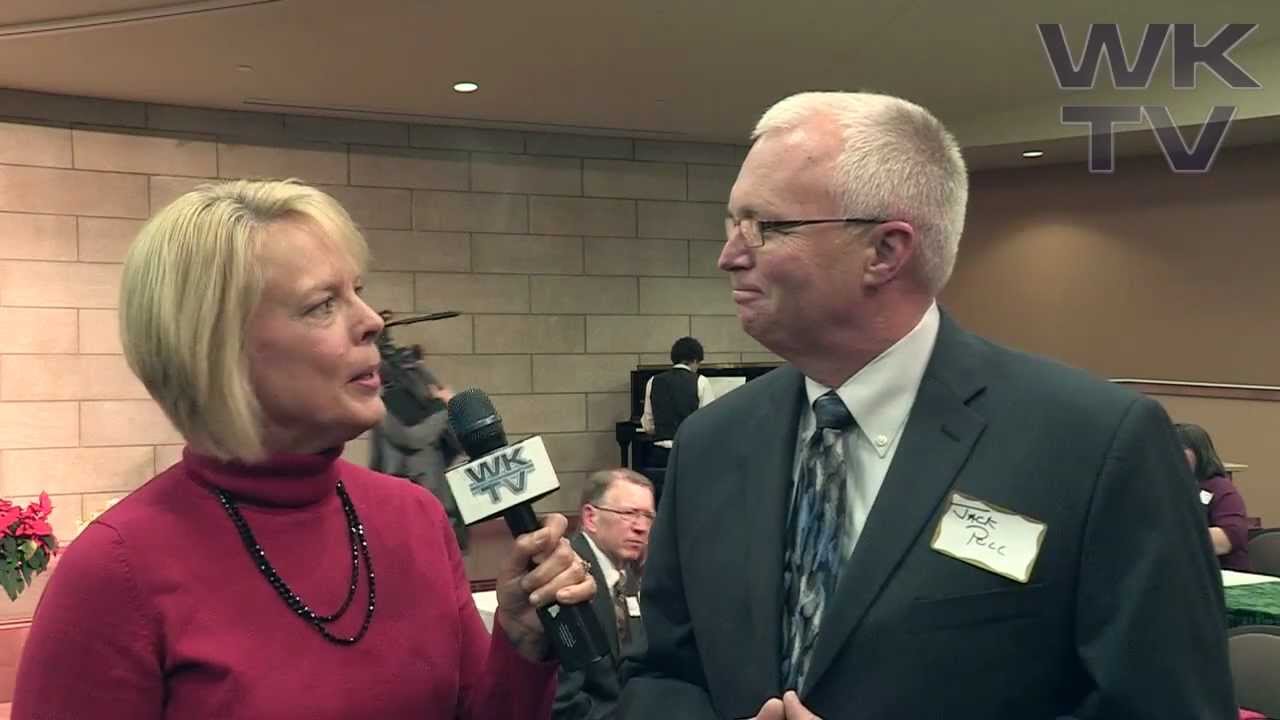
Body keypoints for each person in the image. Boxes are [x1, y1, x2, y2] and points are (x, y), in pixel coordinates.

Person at [619, 92, 1234, 720]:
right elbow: (662, 670)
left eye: (765, 227)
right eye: (732, 223)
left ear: (885, 251)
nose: (729, 255)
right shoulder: (712, 442)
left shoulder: (1097, 446)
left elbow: (1171, 705)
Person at [12, 179, 595, 720]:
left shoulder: (414, 518)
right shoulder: (116, 569)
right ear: (219, 347)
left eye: (359, 294)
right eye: (323, 304)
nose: (372, 321)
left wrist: (521, 646)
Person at [555, 469, 655, 720]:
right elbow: (563, 700)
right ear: (591, 518)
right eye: (629, 514)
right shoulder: (564, 578)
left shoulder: (632, 576)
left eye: (648, 517)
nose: (641, 527)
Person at [370, 342, 470, 550]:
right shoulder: (396, 408)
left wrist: (450, 409)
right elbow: (413, 437)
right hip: (418, 512)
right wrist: (445, 407)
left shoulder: (389, 408)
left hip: (420, 511)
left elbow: (461, 445)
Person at [1176, 422, 1251, 571]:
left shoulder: (1220, 488)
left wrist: (1170, 539)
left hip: (1224, 574)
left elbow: (1229, 537)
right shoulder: (1166, 489)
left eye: (1179, 449)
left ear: (1199, 452)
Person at [640, 337, 715, 462]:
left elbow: (648, 426)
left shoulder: (653, 381)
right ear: (695, 360)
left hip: (660, 454)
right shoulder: (701, 381)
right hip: (689, 452)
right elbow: (708, 423)